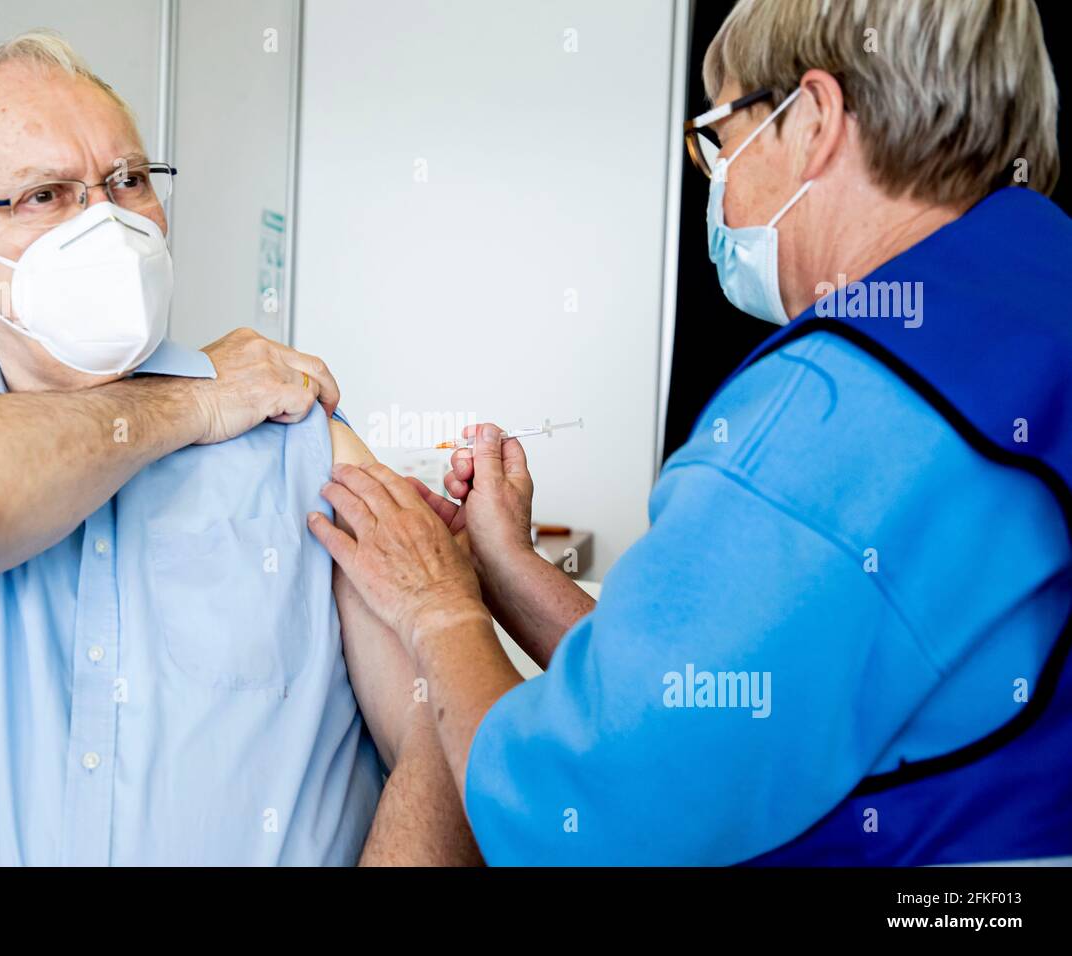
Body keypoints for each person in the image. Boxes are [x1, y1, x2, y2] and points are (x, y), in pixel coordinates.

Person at [310, 0, 1072, 865]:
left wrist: (437, 609)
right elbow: (710, 703)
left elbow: (582, 819)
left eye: (721, 135)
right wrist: (505, 569)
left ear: (812, 121)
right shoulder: (1034, 305)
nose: (717, 181)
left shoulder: (839, 407)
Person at [0, 31, 468, 865]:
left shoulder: (304, 449)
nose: (107, 222)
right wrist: (195, 399)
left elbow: (444, 737)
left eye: (128, 180)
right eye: (45, 195)